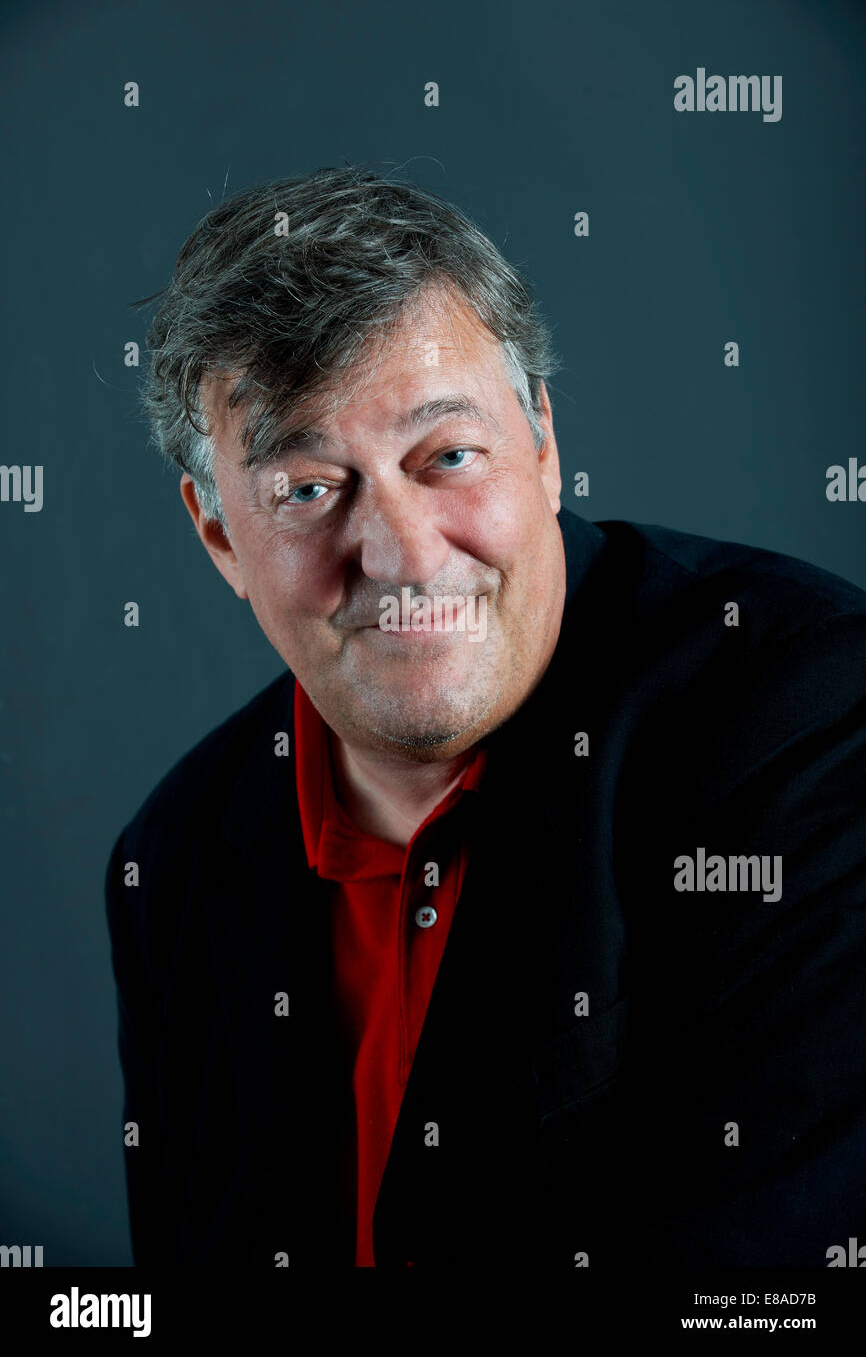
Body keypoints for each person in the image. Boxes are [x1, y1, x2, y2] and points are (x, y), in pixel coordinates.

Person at [106, 165, 866, 1268]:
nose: (402, 552)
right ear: (218, 535)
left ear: (543, 444)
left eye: (446, 456)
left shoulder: (809, 716)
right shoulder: (172, 859)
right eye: (308, 487)